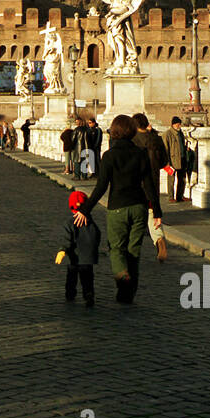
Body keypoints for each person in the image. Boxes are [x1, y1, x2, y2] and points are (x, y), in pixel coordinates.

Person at [74, 115, 160, 304]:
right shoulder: (140, 153)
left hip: (118, 207)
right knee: (134, 250)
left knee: (116, 248)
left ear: (114, 131)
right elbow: (149, 185)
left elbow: (101, 187)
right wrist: (158, 212)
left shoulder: (110, 155)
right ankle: (126, 295)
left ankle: (122, 275)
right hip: (139, 207)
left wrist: (85, 209)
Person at [133, 113, 171, 260]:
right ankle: (159, 240)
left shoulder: (132, 141)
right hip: (152, 182)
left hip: (135, 184)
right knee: (152, 215)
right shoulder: (156, 139)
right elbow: (163, 162)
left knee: (135, 217)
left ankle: (133, 249)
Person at [58, 190, 101, 307]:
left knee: (71, 276)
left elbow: (67, 238)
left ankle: (70, 294)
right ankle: (88, 294)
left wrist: (63, 250)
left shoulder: (70, 222)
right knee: (88, 278)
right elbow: (97, 234)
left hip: (74, 255)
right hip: (87, 256)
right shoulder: (90, 221)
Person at [162, 116, 188, 202]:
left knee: (182, 179)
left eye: (180, 124)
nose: (179, 126)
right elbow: (165, 149)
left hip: (182, 158)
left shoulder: (180, 133)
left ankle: (180, 195)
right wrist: (167, 162)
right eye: (178, 124)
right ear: (173, 124)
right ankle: (171, 197)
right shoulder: (167, 134)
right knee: (171, 180)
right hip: (172, 160)